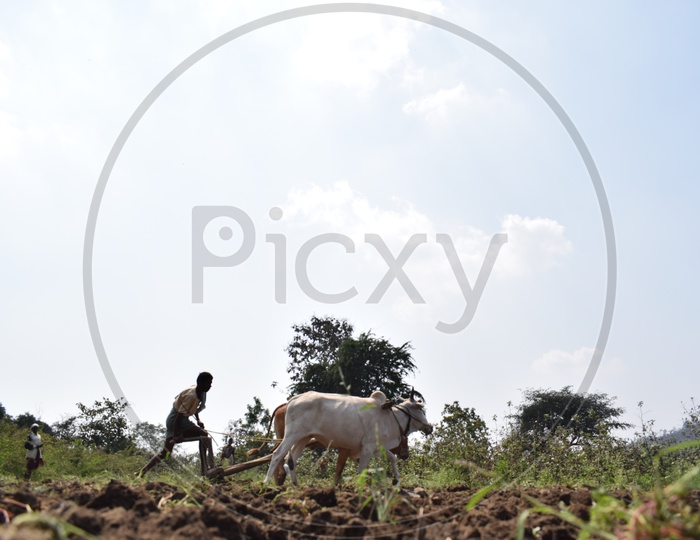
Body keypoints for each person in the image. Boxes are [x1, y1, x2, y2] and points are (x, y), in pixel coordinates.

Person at [138, 372, 214, 477]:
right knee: (204, 436)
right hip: (176, 421)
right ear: (201, 383)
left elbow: (194, 407)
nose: (210, 386)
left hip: (180, 419)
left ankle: (141, 473)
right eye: (208, 383)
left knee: (165, 453)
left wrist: (198, 420)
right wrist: (175, 435)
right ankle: (205, 470)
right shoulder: (191, 396)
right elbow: (179, 416)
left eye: (211, 383)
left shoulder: (201, 392)